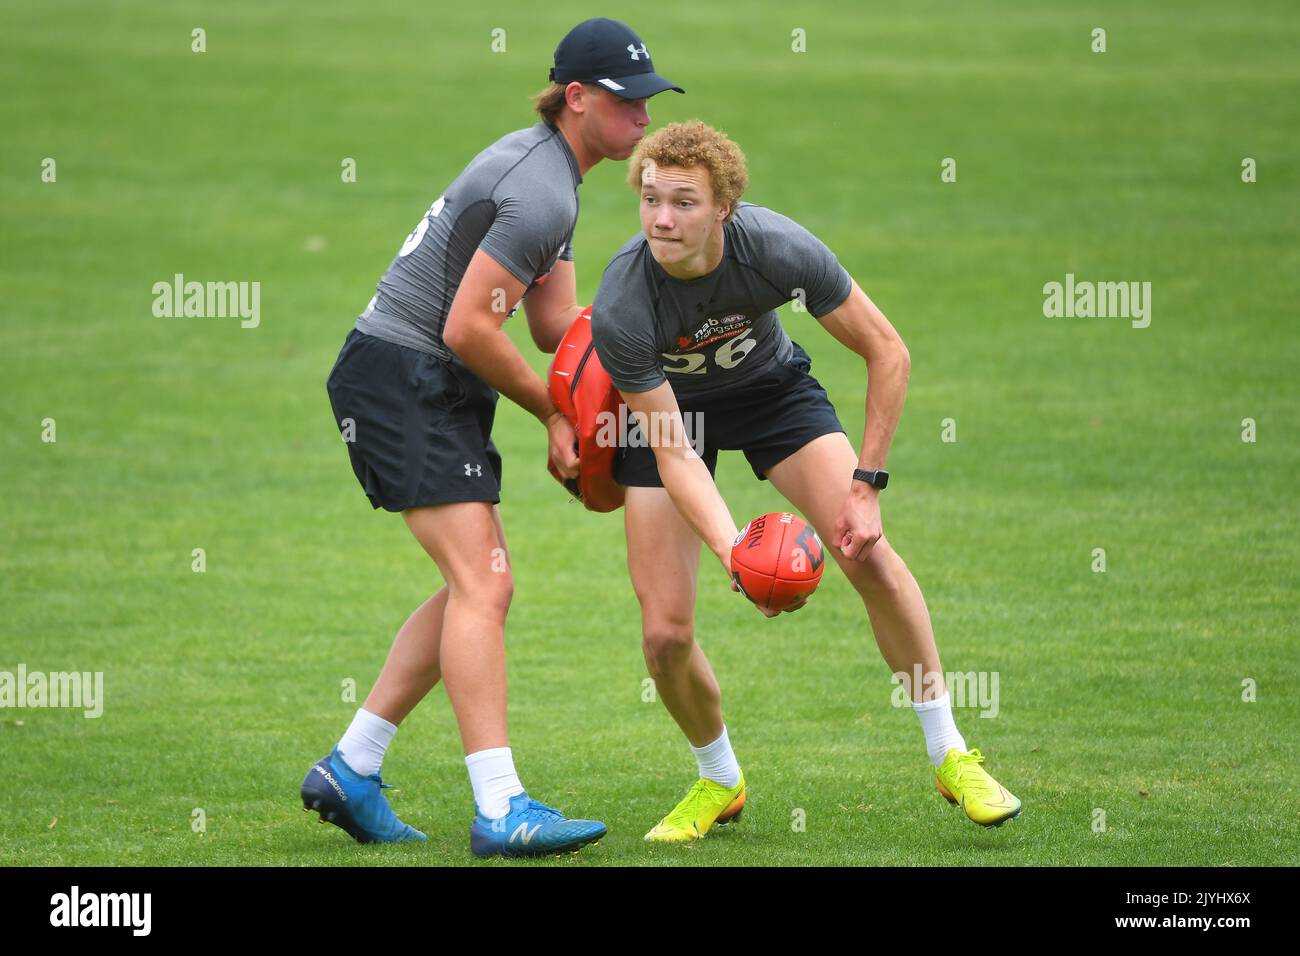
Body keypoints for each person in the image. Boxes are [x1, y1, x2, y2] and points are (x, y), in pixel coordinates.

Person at [301, 19, 683, 857]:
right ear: (577, 99)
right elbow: (470, 327)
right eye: (628, 102)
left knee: (475, 586)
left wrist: (642, 343)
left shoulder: (556, 178)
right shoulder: (541, 187)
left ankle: (352, 767)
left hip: (421, 379)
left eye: (649, 101)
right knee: (486, 586)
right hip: (406, 378)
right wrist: (555, 415)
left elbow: (553, 328)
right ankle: (501, 807)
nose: (644, 118)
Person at [589, 121, 1021, 842]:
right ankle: (719, 779)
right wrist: (735, 551)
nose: (662, 218)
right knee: (664, 635)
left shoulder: (776, 249)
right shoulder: (624, 304)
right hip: (673, 418)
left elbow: (887, 351)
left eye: (685, 203)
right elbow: (675, 455)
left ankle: (950, 752)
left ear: (724, 207)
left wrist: (866, 487)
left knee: (868, 555)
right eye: (651, 198)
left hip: (770, 394)